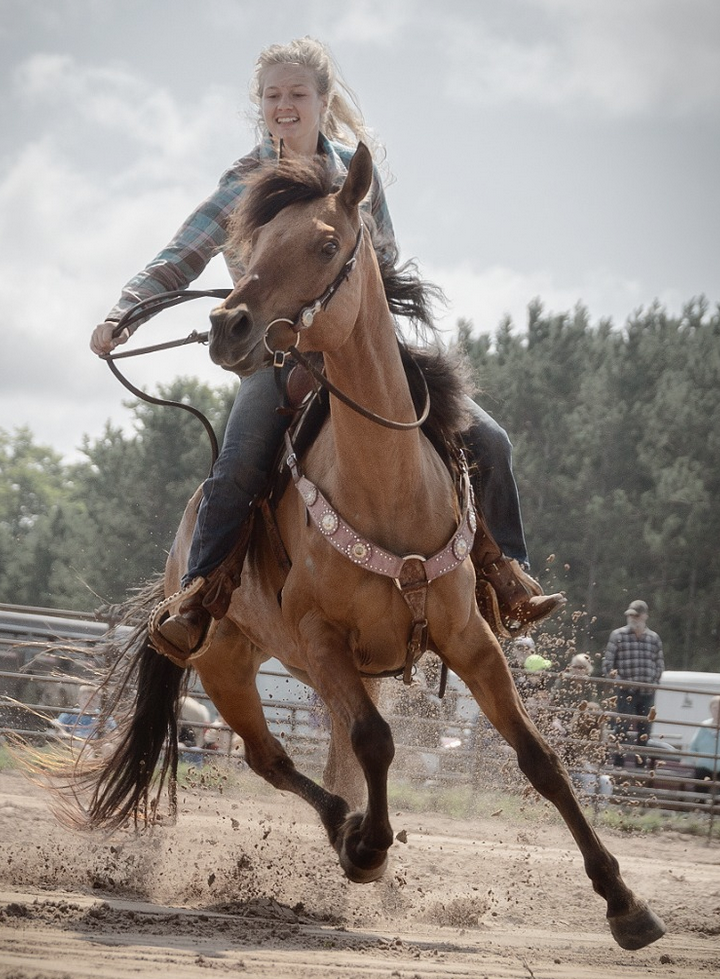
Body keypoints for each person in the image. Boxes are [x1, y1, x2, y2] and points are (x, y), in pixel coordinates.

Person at [90, 37, 564, 660]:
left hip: (366, 352)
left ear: (322, 101)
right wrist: (125, 312)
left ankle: (505, 578)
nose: (284, 106)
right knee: (235, 470)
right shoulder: (242, 182)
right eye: (272, 96)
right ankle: (199, 597)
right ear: (259, 105)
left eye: (296, 94)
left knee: (489, 441)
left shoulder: (354, 177)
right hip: (283, 361)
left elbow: (385, 263)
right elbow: (182, 255)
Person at [602, 599, 664, 767]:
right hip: (626, 691)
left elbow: (659, 664)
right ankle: (618, 762)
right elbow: (608, 664)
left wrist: (654, 682)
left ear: (644, 616)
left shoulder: (654, 638)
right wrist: (619, 682)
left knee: (645, 729)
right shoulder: (618, 635)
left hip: (647, 691)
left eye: (636, 615)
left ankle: (640, 764)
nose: (633, 618)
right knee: (622, 726)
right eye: (630, 615)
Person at [688, 696, 720, 792]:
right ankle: (699, 805)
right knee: (700, 788)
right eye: (715, 708)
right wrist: (697, 760)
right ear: (710, 710)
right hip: (703, 767)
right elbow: (692, 747)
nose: (718, 711)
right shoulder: (704, 726)